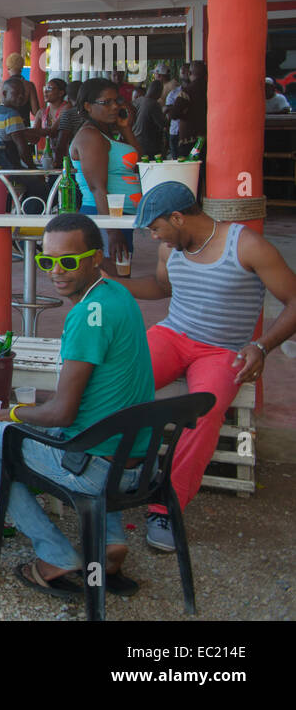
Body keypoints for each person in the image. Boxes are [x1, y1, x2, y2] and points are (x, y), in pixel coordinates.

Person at [0, 213, 152, 599]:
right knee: (30, 430)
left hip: (97, 469)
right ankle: (110, 539)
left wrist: (11, 413)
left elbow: (62, 414)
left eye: (67, 261)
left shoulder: (86, 314)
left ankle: (54, 555)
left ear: (95, 258)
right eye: (46, 261)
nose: (56, 271)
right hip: (134, 463)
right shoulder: (117, 295)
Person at [113, 183, 296, 552]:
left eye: (156, 228)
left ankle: (167, 507)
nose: (152, 237)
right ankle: (118, 469)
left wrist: (262, 346)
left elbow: (294, 299)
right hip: (174, 335)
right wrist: (111, 282)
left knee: (203, 413)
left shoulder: (246, 245)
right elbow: (161, 288)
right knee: (119, 379)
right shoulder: (171, 246)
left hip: (222, 350)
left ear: (179, 217)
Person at [69, 77, 142, 265]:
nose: (115, 107)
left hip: (118, 217)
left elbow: (139, 163)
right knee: (111, 283)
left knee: (119, 281)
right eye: (106, 102)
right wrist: (113, 231)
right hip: (104, 217)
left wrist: (125, 129)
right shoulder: (90, 136)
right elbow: (97, 187)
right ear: (87, 106)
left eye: (116, 101)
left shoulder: (106, 133)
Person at [0, 77, 38, 169]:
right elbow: (22, 148)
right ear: (4, 94)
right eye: (16, 93)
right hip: (6, 169)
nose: (21, 96)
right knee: (39, 183)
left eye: (23, 94)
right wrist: (33, 168)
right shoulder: (12, 115)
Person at [170, 61, 208, 150]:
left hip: (189, 139)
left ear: (189, 73)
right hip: (207, 137)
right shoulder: (210, 89)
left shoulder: (187, 91)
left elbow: (173, 114)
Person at [132, 78, 169, 157]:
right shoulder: (153, 104)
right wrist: (166, 112)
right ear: (159, 92)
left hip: (135, 140)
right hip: (149, 144)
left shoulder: (137, 101)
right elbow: (163, 124)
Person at [32, 77, 72, 150]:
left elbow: (53, 131)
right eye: (45, 88)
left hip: (67, 154)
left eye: (49, 88)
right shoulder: (41, 112)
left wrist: (25, 132)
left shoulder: (67, 107)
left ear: (61, 93)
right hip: (50, 153)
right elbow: (34, 139)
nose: (45, 91)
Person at [165, 64, 189, 157]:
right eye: (182, 71)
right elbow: (169, 113)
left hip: (190, 134)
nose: (184, 73)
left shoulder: (195, 91)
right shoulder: (173, 93)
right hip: (175, 132)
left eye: (187, 71)